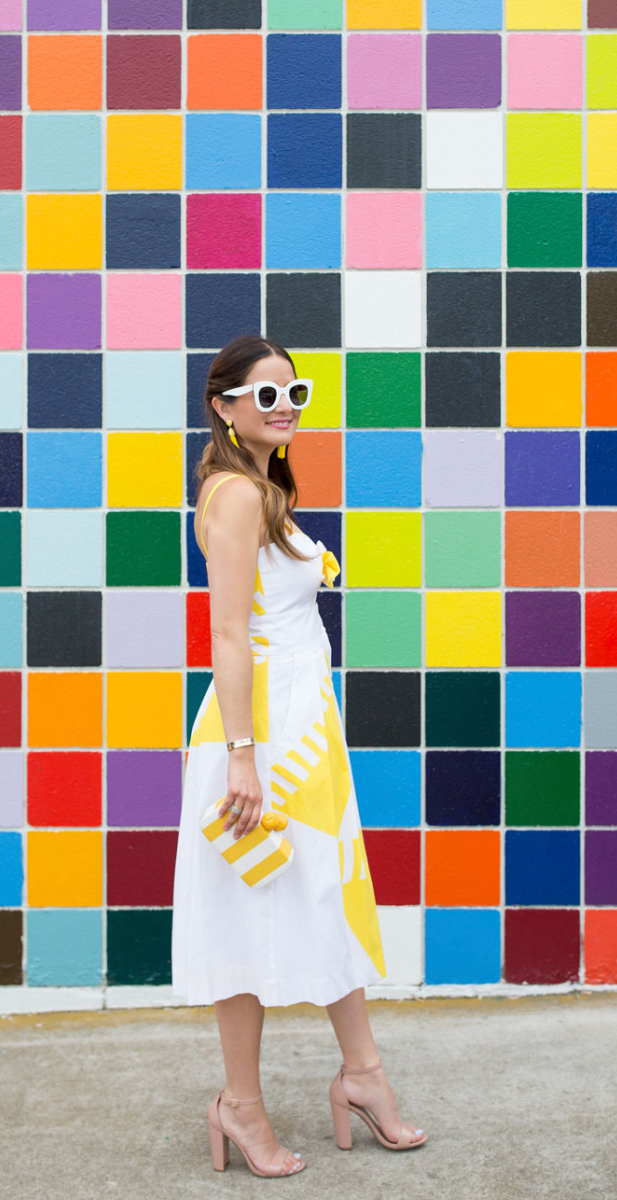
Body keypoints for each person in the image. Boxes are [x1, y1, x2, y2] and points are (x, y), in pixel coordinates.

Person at [171, 334, 427, 1178]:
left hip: (301, 730)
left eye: (295, 394)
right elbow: (230, 634)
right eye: (265, 394)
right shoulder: (237, 495)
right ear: (224, 404)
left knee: (324, 896)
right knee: (246, 912)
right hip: (261, 737)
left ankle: (362, 1077)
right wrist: (243, 756)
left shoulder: (260, 488)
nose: (283, 408)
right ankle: (240, 1108)